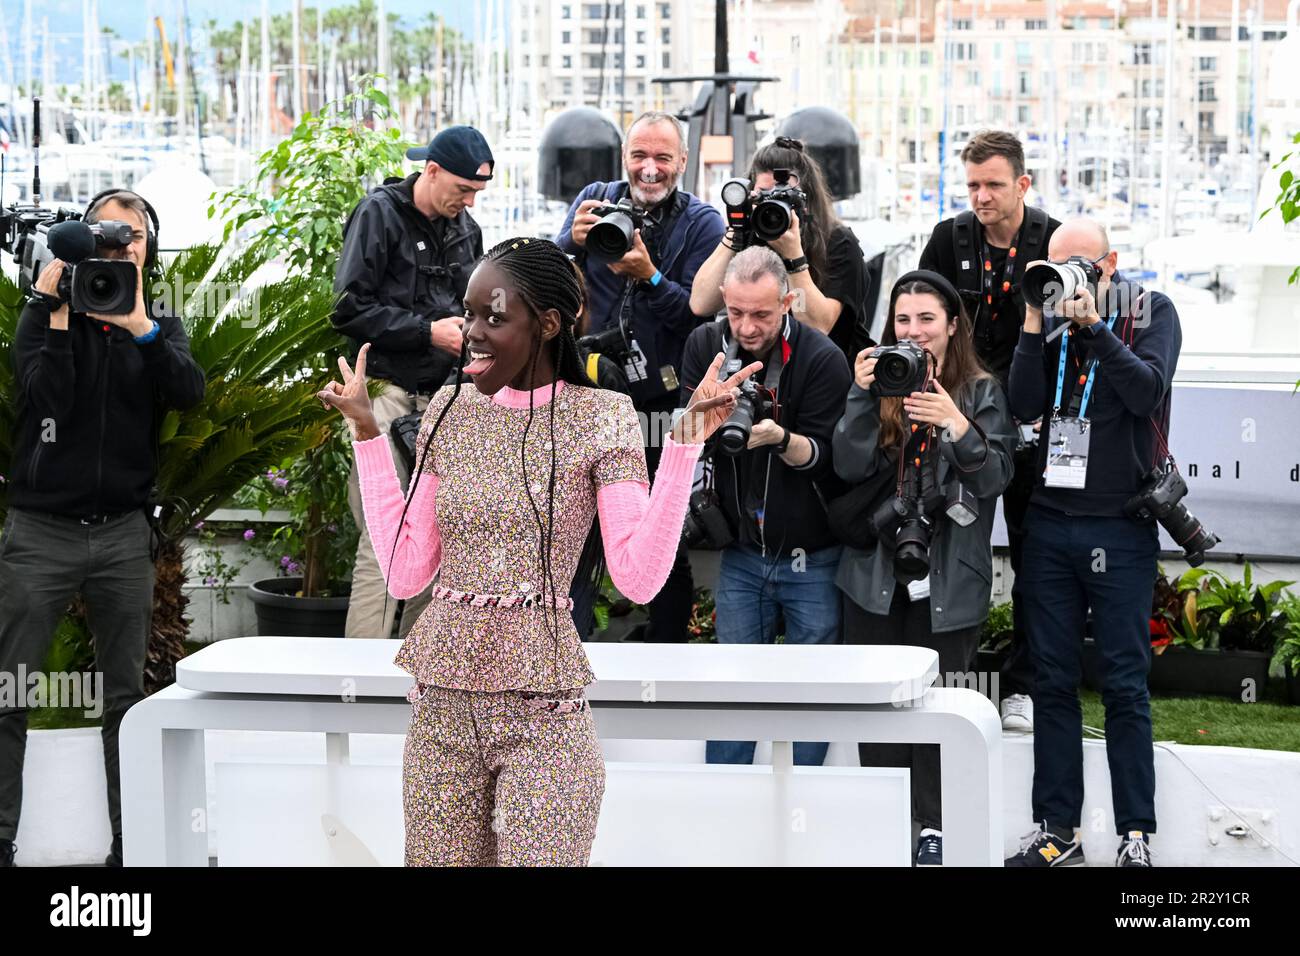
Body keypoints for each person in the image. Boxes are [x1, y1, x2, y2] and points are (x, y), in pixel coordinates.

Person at [317, 237, 761, 866]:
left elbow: (636, 577)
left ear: (549, 324)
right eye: (469, 314)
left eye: (493, 318)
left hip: (545, 715)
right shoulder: (448, 409)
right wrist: (366, 432)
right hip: (442, 709)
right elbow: (404, 566)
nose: (471, 332)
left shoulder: (602, 416)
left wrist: (684, 443)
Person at [0, 189, 205, 868]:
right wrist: (57, 316)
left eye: (133, 239)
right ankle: (3, 841)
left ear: (150, 250)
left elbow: (187, 393)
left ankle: (133, 846)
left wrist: (141, 326)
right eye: (106, 241)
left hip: (122, 534)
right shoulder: (42, 319)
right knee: (11, 690)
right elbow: (45, 402)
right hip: (41, 532)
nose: (120, 252)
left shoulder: (158, 328)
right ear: (79, 248)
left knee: (128, 701)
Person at [1003, 218, 1181, 868]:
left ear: (1110, 263)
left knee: (1124, 684)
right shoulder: (1047, 320)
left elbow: (1146, 392)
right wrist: (1032, 317)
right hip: (1050, 522)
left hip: (1121, 525)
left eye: (1079, 264)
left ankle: (1136, 835)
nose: (1068, 278)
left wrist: (1096, 329)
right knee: (1052, 680)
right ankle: (1058, 831)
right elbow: (1023, 405)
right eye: (1056, 266)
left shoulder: (1151, 311)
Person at [833, 270, 1015, 866]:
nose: (914, 332)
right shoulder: (880, 382)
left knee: (938, 708)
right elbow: (847, 464)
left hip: (948, 580)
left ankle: (933, 827)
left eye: (927, 320)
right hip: (874, 580)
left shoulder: (981, 391)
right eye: (903, 320)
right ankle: (886, 819)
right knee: (878, 709)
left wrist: (955, 423)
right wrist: (862, 395)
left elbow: (993, 479)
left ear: (952, 326)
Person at [556, 110, 725, 644]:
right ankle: (565, 645)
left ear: (682, 162)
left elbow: (697, 318)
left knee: (660, 529)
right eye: (639, 157)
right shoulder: (597, 197)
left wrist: (649, 277)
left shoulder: (702, 224)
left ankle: (669, 646)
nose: (649, 170)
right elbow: (548, 281)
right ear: (623, 158)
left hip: (658, 401)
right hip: (586, 394)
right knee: (570, 529)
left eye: (662, 159)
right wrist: (569, 241)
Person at [679, 246, 852, 768]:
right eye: (735, 312)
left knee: (811, 694)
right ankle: (724, 808)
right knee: (733, 690)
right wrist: (705, 416)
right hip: (742, 553)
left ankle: (801, 808)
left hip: (812, 553)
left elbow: (830, 460)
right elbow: (684, 441)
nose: (747, 327)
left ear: (788, 302)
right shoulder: (706, 345)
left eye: (761, 314)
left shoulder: (821, 357)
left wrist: (781, 439)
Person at [919, 129, 1062, 734]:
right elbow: (917, 314)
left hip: (1032, 426)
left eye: (993, 185)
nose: (980, 197)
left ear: (1022, 185)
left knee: (1035, 557)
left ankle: (1023, 687)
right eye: (972, 185)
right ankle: (942, 675)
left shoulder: (1052, 240)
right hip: (958, 421)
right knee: (946, 548)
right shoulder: (948, 239)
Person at [332, 125, 492, 641]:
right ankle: (358, 686)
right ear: (432, 171)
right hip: (384, 396)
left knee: (434, 540)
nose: (468, 202)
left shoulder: (468, 230)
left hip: (445, 403)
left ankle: (416, 683)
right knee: (383, 541)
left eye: (476, 194)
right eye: (463, 190)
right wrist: (426, 332)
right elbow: (346, 308)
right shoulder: (378, 213)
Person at [690, 136, 872, 365]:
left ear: (805, 199)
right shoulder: (747, 235)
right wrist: (737, 232)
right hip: (764, 376)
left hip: (825, 373)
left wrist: (794, 257)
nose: (771, 206)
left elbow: (817, 328)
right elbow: (700, 303)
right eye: (763, 195)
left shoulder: (837, 242)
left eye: (782, 196)